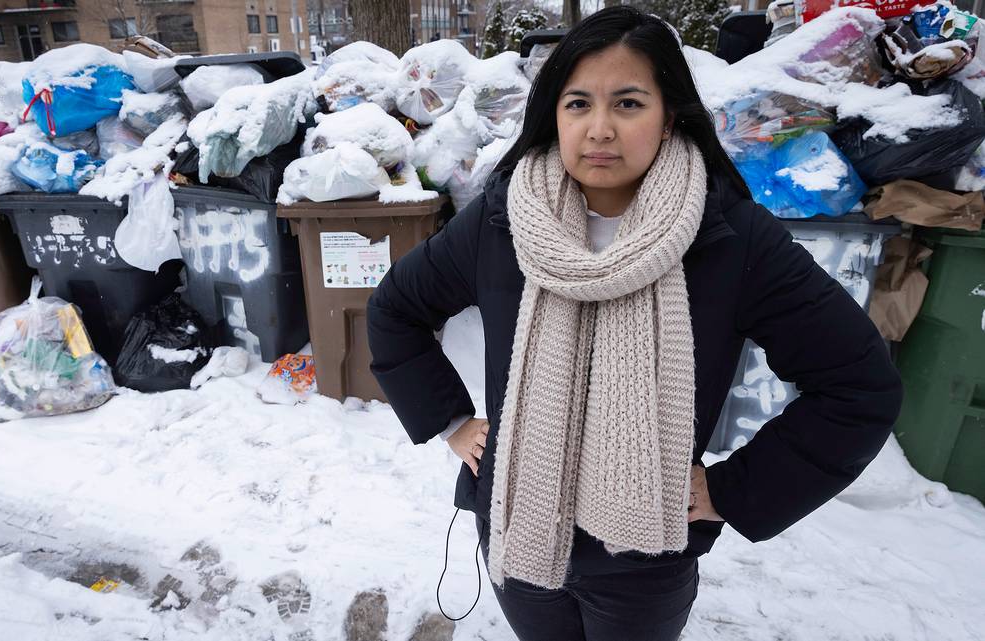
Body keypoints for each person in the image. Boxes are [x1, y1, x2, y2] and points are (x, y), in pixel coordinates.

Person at [366, 6, 902, 641]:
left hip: (645, 561)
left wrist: (733, 489)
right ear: (552, 116)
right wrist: (452, 423)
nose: (599, 130)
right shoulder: (502, 222)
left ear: (669, 114)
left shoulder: (727, 235)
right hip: (517, 530)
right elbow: (396, 310)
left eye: (627, 104)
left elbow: (858, 384)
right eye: (577, 105)